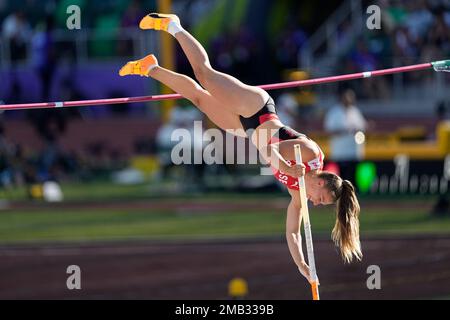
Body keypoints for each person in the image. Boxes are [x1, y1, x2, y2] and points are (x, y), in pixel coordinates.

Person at [119, 13, 362, 283]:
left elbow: (292, 233)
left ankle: (149, 68)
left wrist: (303, 266)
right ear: (321, 182)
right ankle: (173, 25)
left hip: (246, 130)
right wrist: (285, 166)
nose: (315, 203)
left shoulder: (299, 193)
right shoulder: (311, 153)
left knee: (198, 98)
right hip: (257, 110)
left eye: (319, 204)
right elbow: (268, 144)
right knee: (205, 75)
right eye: (322, 199)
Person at [324, 89, 367, 185]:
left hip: (354, 151)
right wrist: (344, 131)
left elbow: (362, 127)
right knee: (342, 178)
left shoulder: (355, 111)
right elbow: (329, 131)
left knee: (353, 178)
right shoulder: (334, 112)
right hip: (340, 152)